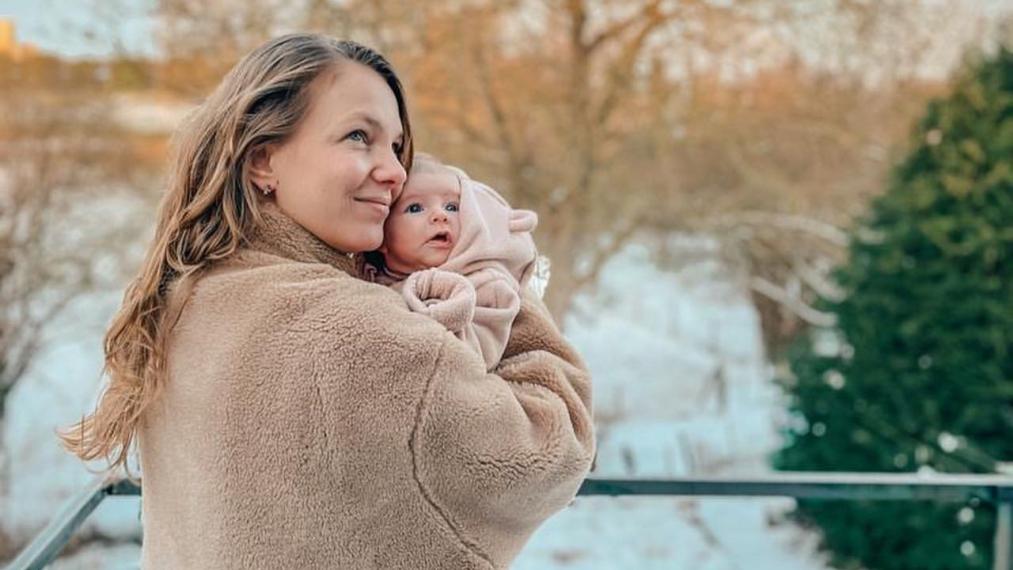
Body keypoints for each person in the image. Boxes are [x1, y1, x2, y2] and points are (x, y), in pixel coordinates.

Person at [59, 33, 595, 569]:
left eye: (395, 146)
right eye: (359, 136)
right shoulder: (356, 333)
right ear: (263, 159)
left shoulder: (188, 293)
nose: (395, 172)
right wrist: (493, 265)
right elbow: (552, 446)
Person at [368, 153, 539, 371]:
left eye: (452, 207)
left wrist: (440, 315)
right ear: (380, 232)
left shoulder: (487, 284)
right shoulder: (366, 277)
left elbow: (471, 359)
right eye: (415, 208)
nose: (440, 215)